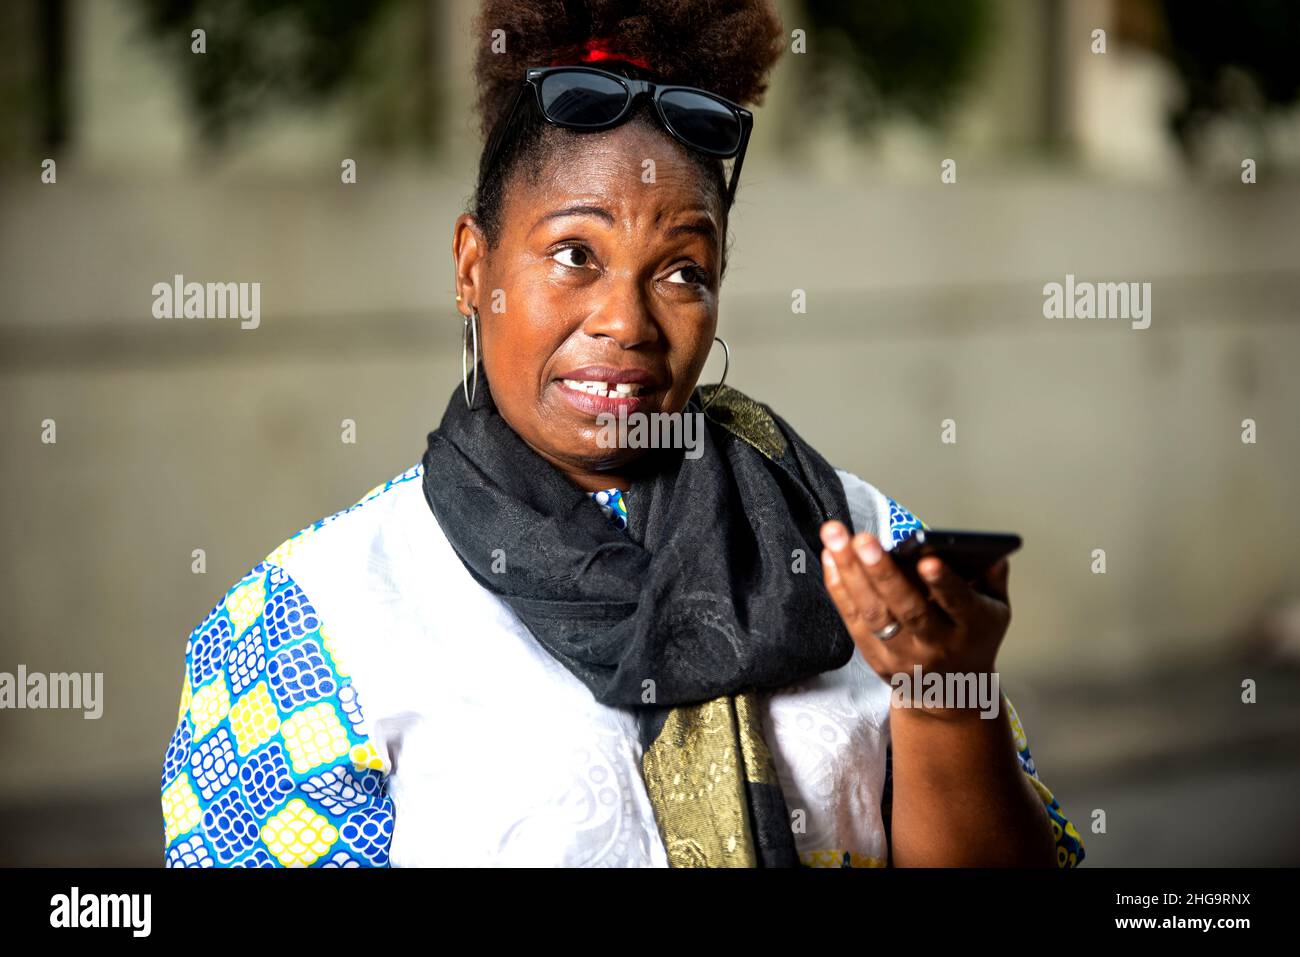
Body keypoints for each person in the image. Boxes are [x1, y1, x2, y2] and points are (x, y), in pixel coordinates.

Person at [160, 0, 1085, 868]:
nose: (628, 322)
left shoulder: (860, 540)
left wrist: (943, 694)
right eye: (574, 256)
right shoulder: (312, 621)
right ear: (472, 266)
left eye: (682, 271)